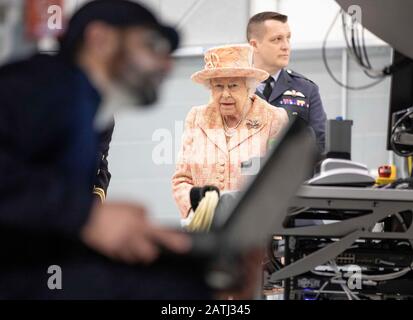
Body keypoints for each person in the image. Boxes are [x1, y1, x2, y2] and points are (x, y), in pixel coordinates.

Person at [0, 0, 214, 299]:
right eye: (152, 45)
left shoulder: (87, 112)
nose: (166, 65)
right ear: (99, 39)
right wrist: (86, 215)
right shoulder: (50, 85)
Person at [172, 44, 289, 219]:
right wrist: (197, 212)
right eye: (218, 86)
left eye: (233, 86)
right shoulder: (196, 117)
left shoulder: (274, 118)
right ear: (211, 88)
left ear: (249, 87)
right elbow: (181, 180)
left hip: (255, 228)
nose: (225, 94)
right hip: (205, 228)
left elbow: (282, 179)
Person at [247, 11, 327, 152]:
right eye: (277, 39)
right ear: (254, 45)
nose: (286, 46)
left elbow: (321, 143)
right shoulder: (235, 88)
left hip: (292, 171)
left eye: (288, 38)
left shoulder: (307, 89)